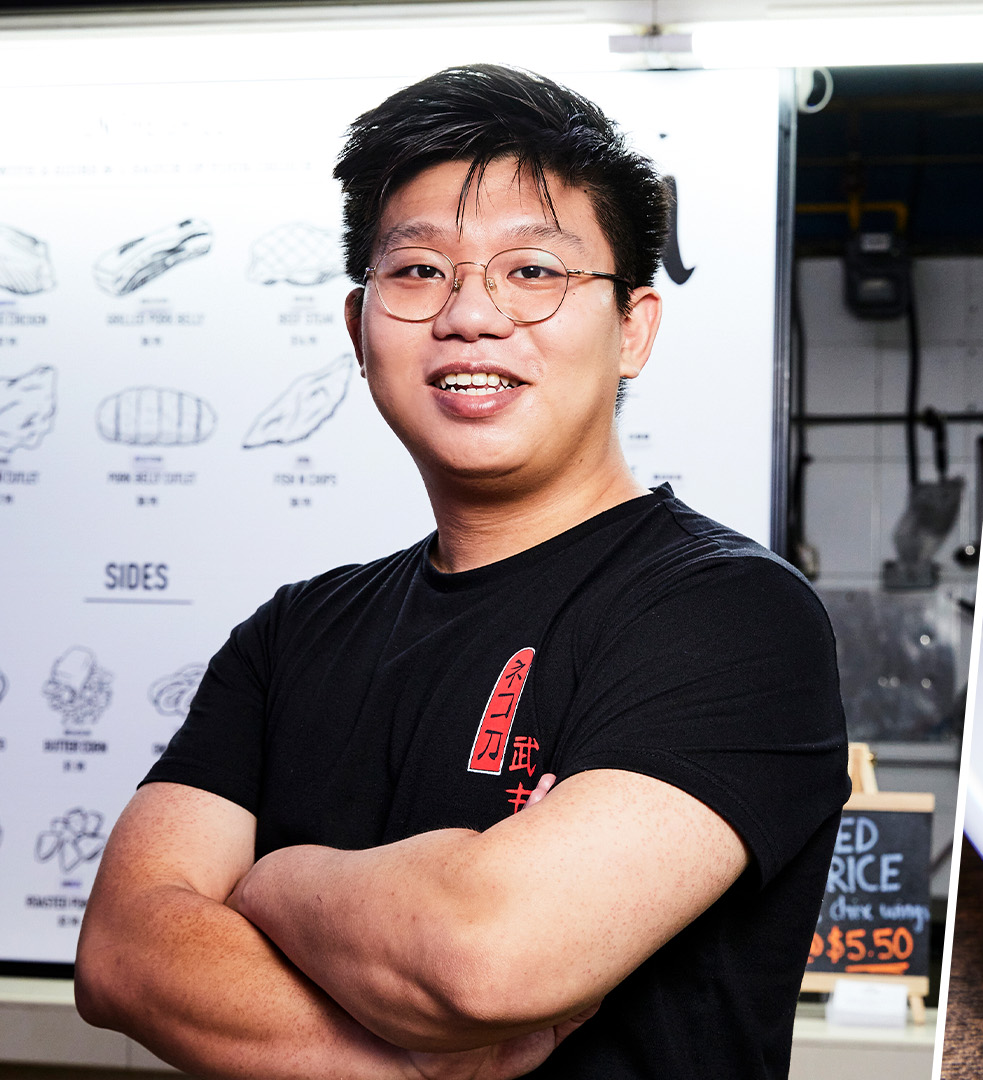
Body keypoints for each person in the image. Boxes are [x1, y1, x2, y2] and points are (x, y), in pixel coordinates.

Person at [73, 64, 849, 1080]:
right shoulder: (293, 634)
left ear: (633, 330)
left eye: (533, 271)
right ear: (359, 330)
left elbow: (486, 958)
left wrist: (273, 882)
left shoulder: (733, 615)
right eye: (419, 271)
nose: (471, 317)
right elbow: (124, 953)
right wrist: (423, 1070)